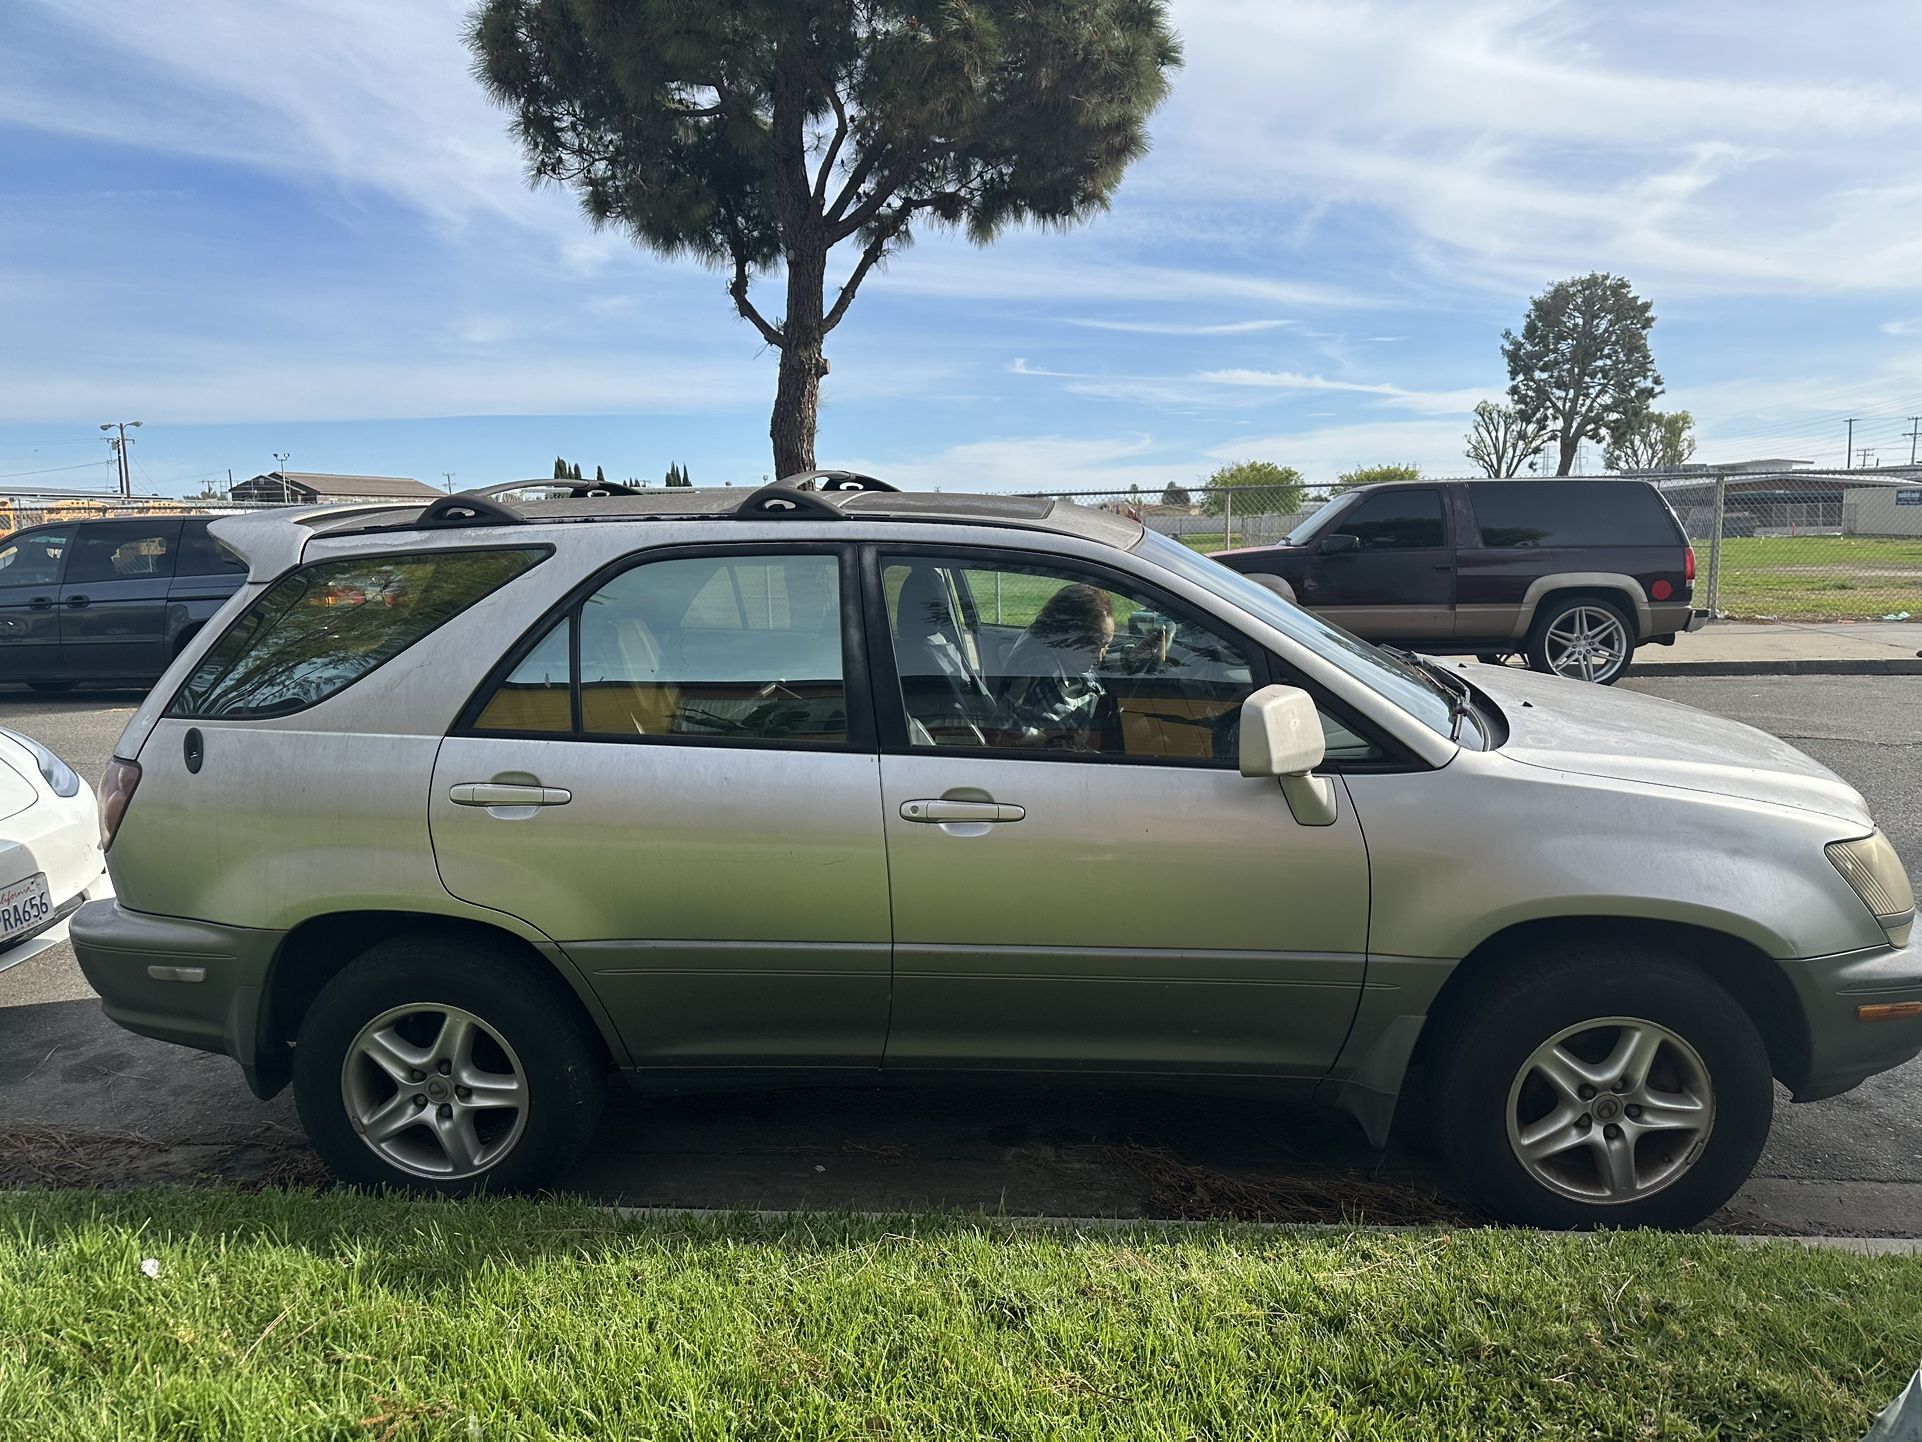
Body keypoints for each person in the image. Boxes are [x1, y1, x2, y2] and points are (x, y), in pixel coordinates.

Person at [996, 583, 1119, 748]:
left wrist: (1134, 656)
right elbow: (1001, 732)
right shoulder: (1037, 670)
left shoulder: (1062, 653)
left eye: (1105, 646)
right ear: (1069, 634)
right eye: (1094, 645)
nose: (1099, 656)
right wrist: (1056, 733)